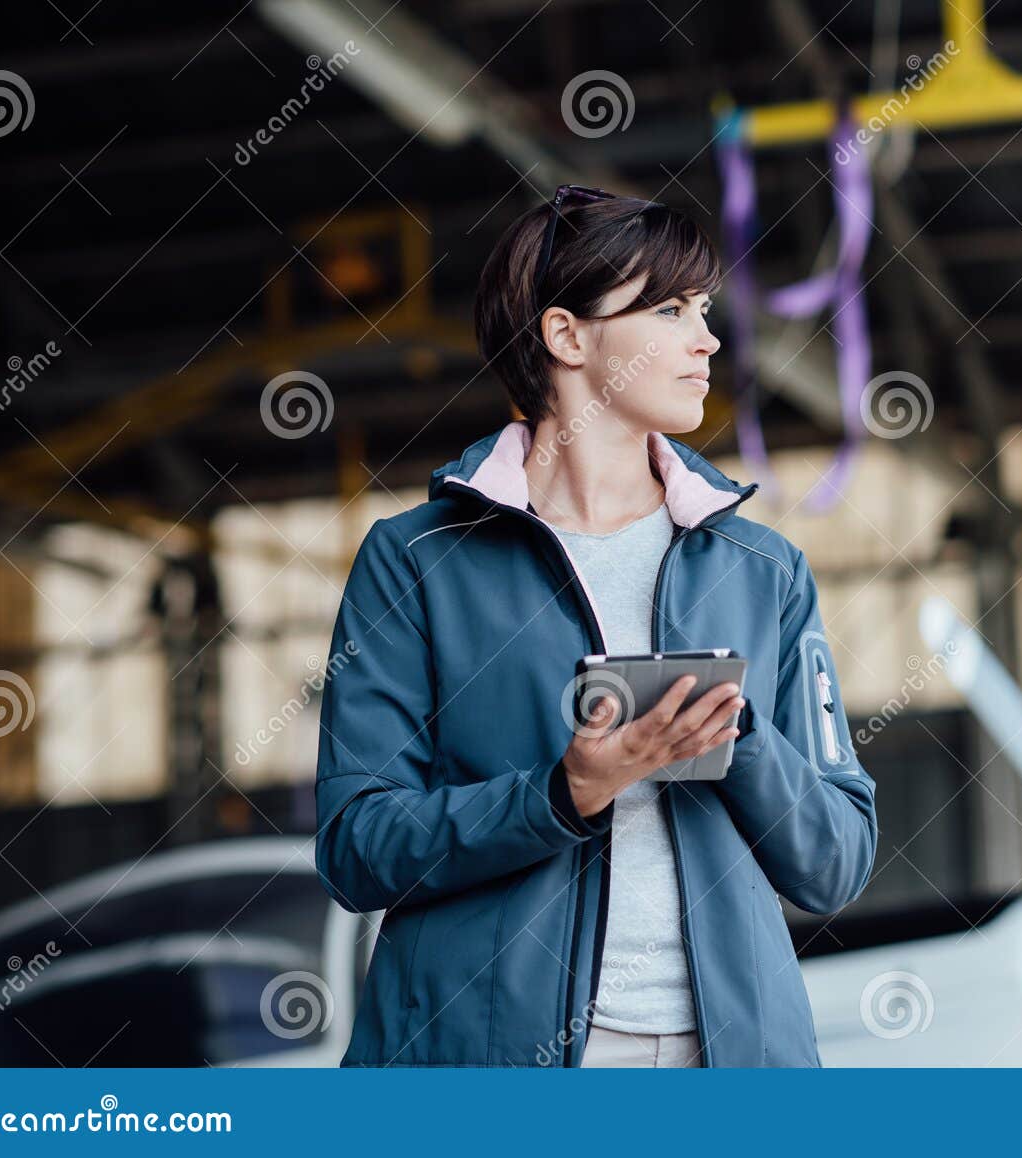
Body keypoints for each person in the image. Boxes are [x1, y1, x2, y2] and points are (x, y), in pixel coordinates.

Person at [313, 184, 878, 1067]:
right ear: (567, 335)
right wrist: (560, 794)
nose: (708, 339)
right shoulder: (416, 563)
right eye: (669, 310)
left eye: (702, 308)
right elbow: (358, 847)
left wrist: (737, 735)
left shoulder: (764, 574)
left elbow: (835, 863)